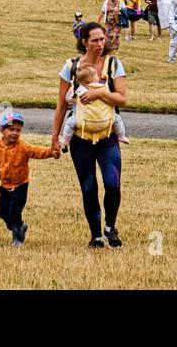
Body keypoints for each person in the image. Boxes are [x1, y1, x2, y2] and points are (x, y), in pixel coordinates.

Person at [51, 22, 127, 250]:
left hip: (107, 136)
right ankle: (96, 235)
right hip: (80, 140)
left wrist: (98, 92)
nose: (100, 44)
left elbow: (122, 98)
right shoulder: (71, 67)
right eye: (95, 40)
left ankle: (110, 228)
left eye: (102, 39)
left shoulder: (113, 65)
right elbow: (61, 105)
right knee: (88, 187)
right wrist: (55, 138)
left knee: (113, 184)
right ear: (84, 42)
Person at [0, 110, 58, 247]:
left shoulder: (23, 146)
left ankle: (17, 240)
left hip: (20, 185)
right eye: (11, 129)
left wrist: (51, 152)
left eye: (18, 130)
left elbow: (37, 152)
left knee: (14, 212)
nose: (15, 133)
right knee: (3, 213)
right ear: (2, 130)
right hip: (5, 186)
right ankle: (20, 226)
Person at [58, 57, 130, 148]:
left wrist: (72, 94)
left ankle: (65, 139)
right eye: (96, 75)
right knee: (117, 119)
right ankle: (121, 135)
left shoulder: (80, 89)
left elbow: (68, 99)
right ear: (90, 79)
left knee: (70, 122)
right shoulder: (103, 86)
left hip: (83, 122)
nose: (98, 76)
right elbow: (116, 98)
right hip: (105, 119)